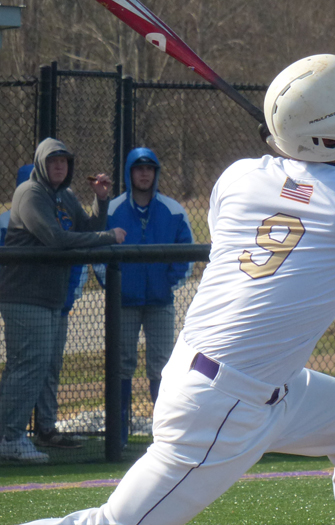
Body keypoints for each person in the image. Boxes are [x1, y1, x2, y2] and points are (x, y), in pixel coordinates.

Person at [23, 54, 335, 524]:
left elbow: (246, 221)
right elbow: (321, 192)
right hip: (222, 405)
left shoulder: (241, 177)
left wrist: (289, 156)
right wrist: (297, 161)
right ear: (332, 133)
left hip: (259, 382)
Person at [0, 138, 127, 463]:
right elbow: (57, 239)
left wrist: (101, 200)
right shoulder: (30, 193)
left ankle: (9, 437)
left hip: (50, 298)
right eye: (53, 161)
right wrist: (108, 237)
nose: (59, 167)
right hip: (25, 295)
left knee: (38, 368)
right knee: (27, 367)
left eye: (64, 162)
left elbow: (88, 227)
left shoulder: (63, 196)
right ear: (41, 163)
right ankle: (9, 438)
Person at [94, 147, 194, 446]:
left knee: (162, 365)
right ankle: (118, 432)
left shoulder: (173, 210)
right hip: (123, 302)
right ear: (129, 173)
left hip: (160, 302)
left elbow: (186, 254)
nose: (144, 173)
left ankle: (164, 433)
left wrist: (168, 283)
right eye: (139, 168)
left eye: (150, 168)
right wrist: (113, 287)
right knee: (121, 364)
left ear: (157, 172)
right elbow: (97, 252)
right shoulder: (112, 210)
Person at [0, 164, 90, 451]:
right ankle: (9, 437)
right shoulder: (9, 218)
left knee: (47, 367)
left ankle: (43, 429)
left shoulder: (64, 211)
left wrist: (71, 295)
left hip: (57, 302)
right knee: (26, 367)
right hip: (28, 303)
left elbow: (78, 254)